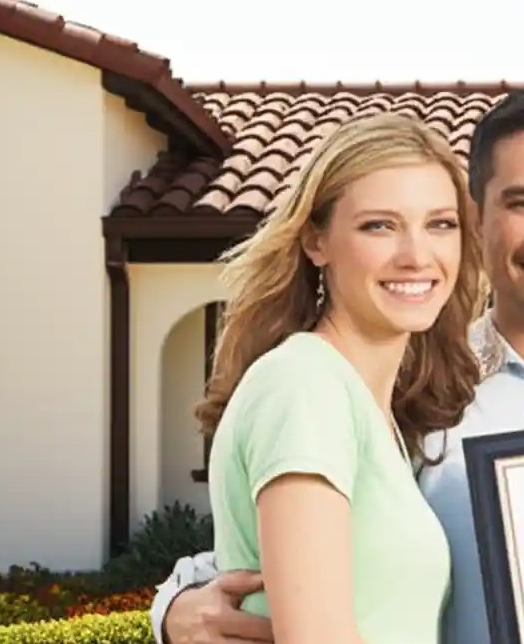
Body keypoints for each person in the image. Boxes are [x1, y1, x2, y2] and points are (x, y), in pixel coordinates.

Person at [147, 87, 524, 644]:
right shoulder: (412, 394)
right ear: (480, 221)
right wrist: (176, 609)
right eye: (522, 203)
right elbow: (272, 557)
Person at [191, 112, 485, 644]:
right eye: (380, 225)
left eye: (440, 224)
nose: (417, 256)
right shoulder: (306, 385)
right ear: (316, 243)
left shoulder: (373, 411)